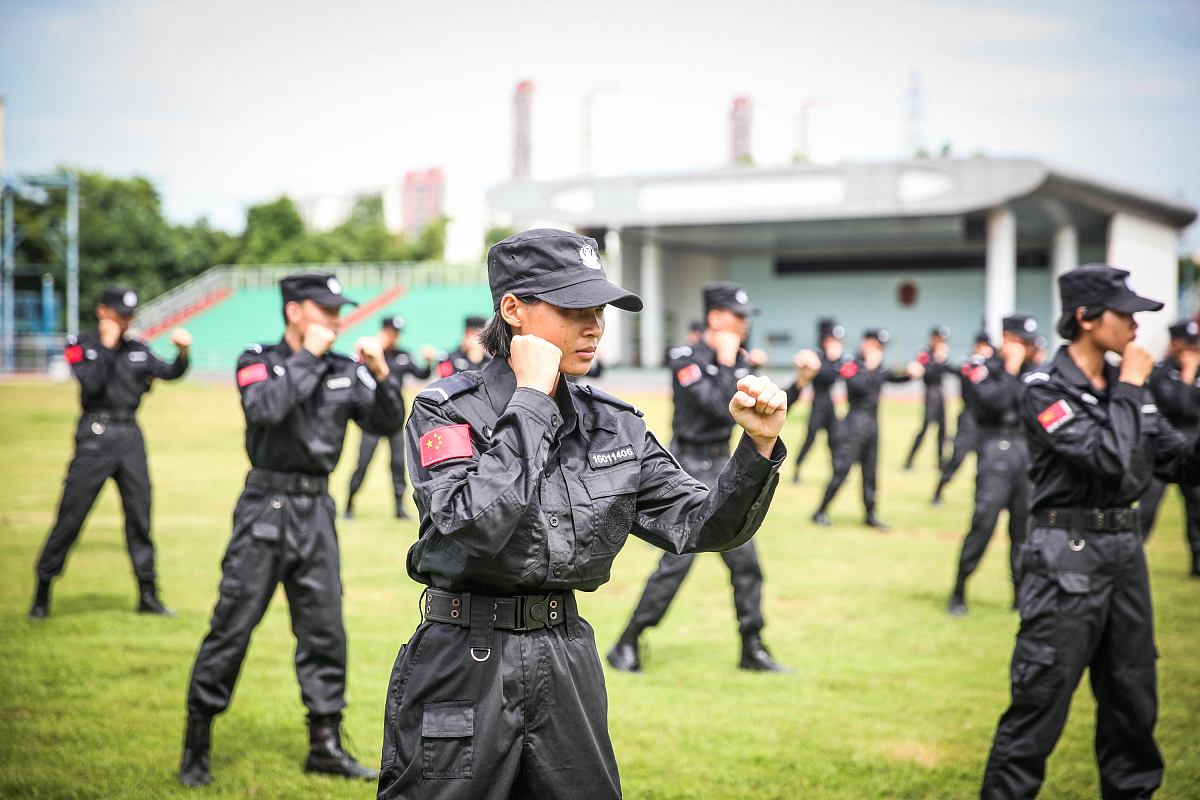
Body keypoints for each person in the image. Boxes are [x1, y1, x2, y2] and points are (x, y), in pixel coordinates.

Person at [377, 230, 788, 799]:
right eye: (574, 308)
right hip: (464, 661)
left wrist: (758, 448)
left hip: (565, 659)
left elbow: (700, 523)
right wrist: (531, 400)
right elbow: (474, 524)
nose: (594, 325)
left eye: (599, 309)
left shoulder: (613, 423)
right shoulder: (446, 411)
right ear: (513, 309)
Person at [981, 264, 1200, 799]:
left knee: (1133, 707)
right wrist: (1131, 386)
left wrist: (1132, 391)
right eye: (1125, 315)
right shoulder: (1045, 391)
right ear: (1085, 318)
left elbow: (1180, 462)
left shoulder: (1129, 390)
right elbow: (1108, 458)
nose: (1136, 326)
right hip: (1066, 561)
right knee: (1038, 708)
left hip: (1125, 555)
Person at [180, 272, 402, 787]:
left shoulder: (345, 369)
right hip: (265, 506)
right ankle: (197, 743)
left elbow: (387, 423)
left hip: (316, 511)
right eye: (325, 310)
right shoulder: (258, 360)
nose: (336, 320)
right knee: (232, 625)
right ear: (295, 311)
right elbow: (265, 409)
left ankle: (324, 746)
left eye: (339, 311)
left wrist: (382, 373)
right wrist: (308, 356)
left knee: (325, 631)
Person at [607, 281, 794, 675]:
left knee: (745, 562)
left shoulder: (738, 360)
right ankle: (628, 641)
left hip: (722, 464)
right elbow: (720, 407)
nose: (745, 323)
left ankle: (752, 646)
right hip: (687, 466)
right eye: (738, 316)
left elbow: (760, 412)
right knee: (675, 564)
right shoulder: (685, 361)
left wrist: (797, 383)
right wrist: (727, 362)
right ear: (716, 317)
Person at [30, 285, 190, 619]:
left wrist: (183, 354)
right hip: (95, 435)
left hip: (130, 435)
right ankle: (42, 592)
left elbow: (169, 373)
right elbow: (91, 385)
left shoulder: (138, 349)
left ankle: (148, 595)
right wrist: (106, 346)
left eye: (130, 315)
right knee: (72, 515)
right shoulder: (81, 346)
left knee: (140, 516)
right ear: (103, 311)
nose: (126, 321)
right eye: (120, 314)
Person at [947, 315, 1040, 617]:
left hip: (1024, 451)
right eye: (1020, 342)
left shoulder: (1033, 373)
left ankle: (1020, 595)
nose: (1025, 349)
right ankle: (959, 589)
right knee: (983, 522)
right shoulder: (984, 368)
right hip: (994, 448)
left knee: (1023, 528)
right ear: (1007, 340)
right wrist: (1011, 368)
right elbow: (996, 402)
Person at [812, 329, 915, 529]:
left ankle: (870, 514)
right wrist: (870, 367)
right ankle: (820, 511)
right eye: (877, 345)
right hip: (854, 423)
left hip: (873, 424)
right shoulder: (852, 363)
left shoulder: (879, 366)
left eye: (882, 347)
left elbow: (893, 378)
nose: (880, 350)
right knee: (842, 469)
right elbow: (857, 386)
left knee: (870, 472)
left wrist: (910, 375)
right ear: (866, 343)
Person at [345, 315, 435, 520]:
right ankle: (349, 505)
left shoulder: (403, 355)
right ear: (383, 332)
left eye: (397, 333)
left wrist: (429, 362)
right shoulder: (369, 355)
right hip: (373, 419)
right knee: (363, 463)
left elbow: (421, 374)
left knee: (397, 464)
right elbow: (355, 371)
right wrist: (367, 351)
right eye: (391, 332)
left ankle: (399, 508)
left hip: (394, 418)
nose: (394, 337)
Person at [1138, 318, 1200, 575]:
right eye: (1187, 344)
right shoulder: (1160, 372)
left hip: (1193, 447)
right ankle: (1130, 558)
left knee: (1197, 510)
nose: (1193, 349)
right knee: (1146, 510)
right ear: (1174, 343)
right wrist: (1187, 376)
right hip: (1161, 449)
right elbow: (1182, 407)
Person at [932, 330, 994, 506]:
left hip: (987, 422)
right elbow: (953, 370)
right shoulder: (970, 365)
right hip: (969, 419)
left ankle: (981, 498)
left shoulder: (993, 366)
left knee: (986, 463)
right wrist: (942, 359)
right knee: (957, 458)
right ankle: (938, 492)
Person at [789, 318, 847, 484]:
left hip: (830, 405)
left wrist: (835, 359)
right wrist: (831, 359)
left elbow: (839, 376)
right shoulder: (818, 356)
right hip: (818, 405)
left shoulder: (837, 359)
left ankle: (837, 471)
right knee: (810, 440)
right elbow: (822, 374)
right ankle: (797, 470)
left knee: (835, 440)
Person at [904, 326, 952, 470]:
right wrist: (937, 359)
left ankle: (940, 461)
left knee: (943, 429)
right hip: (930, 393)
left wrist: (942, 359)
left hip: (940, 393)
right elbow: (927, 373)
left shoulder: (942, 353)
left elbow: (947, 370)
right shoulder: (925, 353)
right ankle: (909, 460)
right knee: (925, 428)